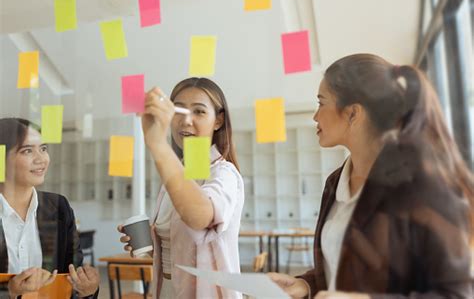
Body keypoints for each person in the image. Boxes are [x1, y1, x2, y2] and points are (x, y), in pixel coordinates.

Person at [269, 54, 473, 298]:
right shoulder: (335, 183)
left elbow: (456, 294)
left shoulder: (423, 186)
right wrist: (307, 285)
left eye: (321, 103)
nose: (315, 116)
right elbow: (344, 266)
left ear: (353, 113)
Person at [118, 77, 244, 298]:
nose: (186, 121)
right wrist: (153, 244)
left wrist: (157, 143)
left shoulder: (224, 173)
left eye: (199, 111)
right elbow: (183, 249)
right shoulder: (176, 177)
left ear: (218, 120)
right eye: (179, 110)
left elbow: (201, 217)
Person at [0, 118, 100, 298]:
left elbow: (72, 284)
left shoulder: (59, 207)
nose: (41, 159)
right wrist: (9, 293)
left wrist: (88, 290)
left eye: (43, 149)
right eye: (27, 150)